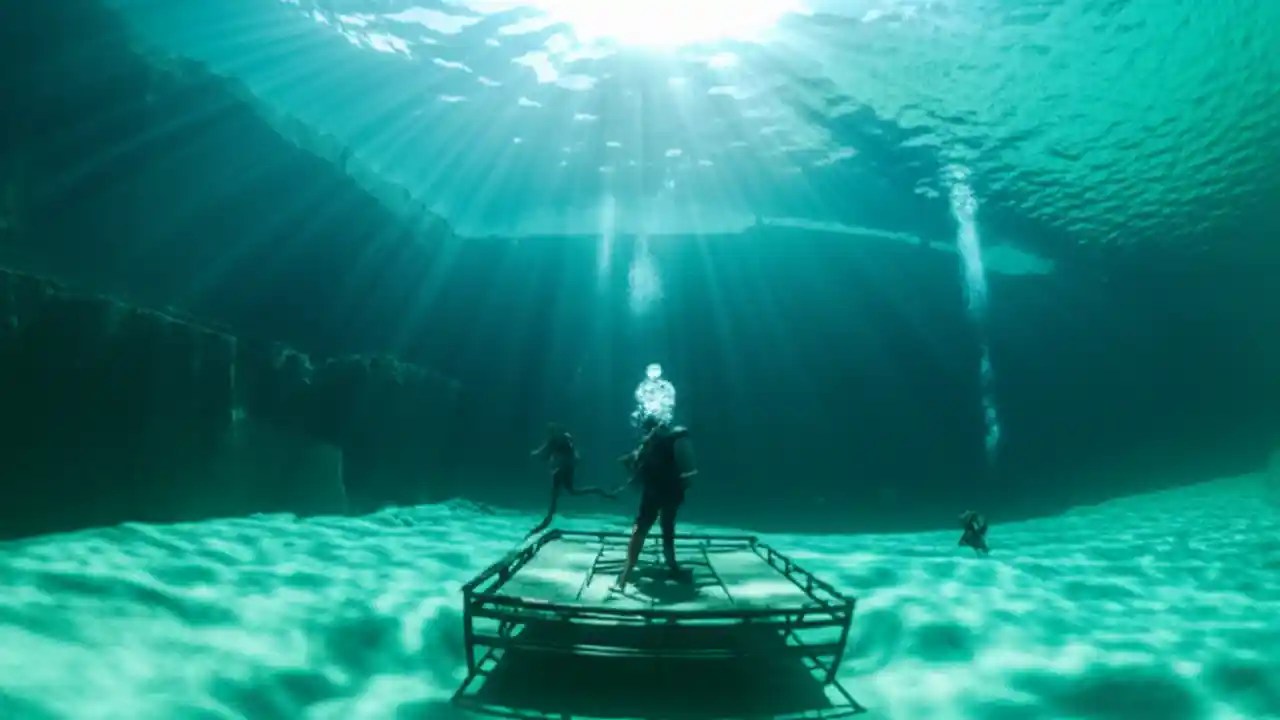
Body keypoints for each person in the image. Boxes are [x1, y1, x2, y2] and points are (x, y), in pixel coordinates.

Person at [612, 416, 699, 591]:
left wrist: (629, 464)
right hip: (673, 490)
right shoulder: (675, 438)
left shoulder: (647, 444)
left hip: (653, 491)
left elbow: (637, 470)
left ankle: (627, 571)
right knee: (668, 528)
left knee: (641, 528)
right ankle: (672, 565)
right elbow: (688, 470)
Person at [525, 423, 610, 538]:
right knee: (572, 491)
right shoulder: (564, 439)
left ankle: (544, 523)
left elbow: (544, 452)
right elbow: (549, 453)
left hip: (561, 470)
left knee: (557, 496)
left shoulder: (557, 440)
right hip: (566, 469)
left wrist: (534, 454)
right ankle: (597, 490)